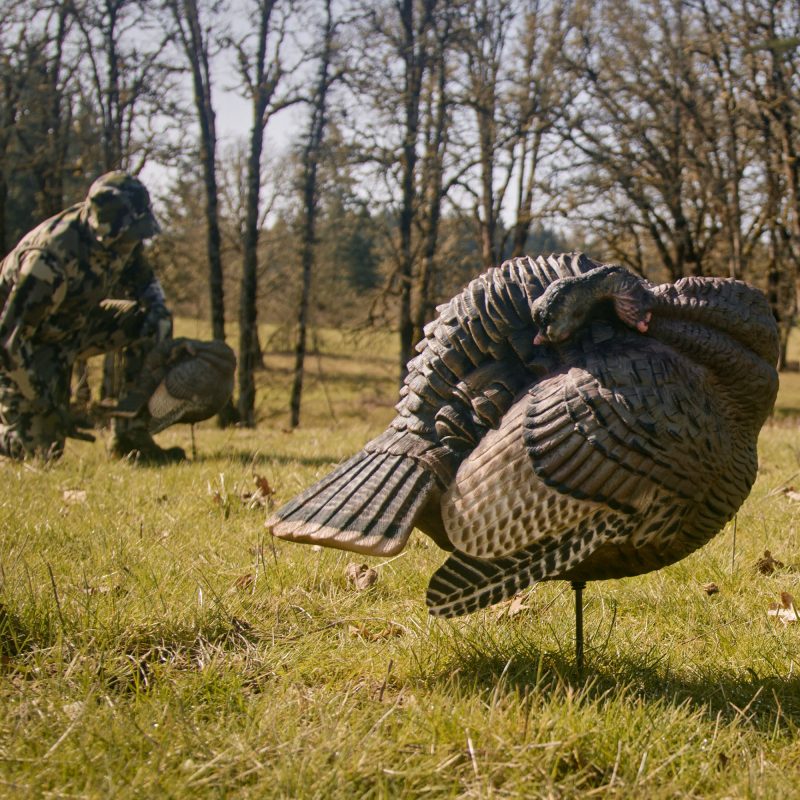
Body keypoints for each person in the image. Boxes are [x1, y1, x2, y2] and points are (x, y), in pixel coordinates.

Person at [0, 170, 185, 463]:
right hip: (27, 348)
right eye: (128, 237)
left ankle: (130, 435)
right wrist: (47, 404)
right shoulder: (48, 261)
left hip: (74, 325)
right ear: (105, 226)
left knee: (154, 321)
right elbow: (9, 344)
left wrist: (167, 354)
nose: (133, 246)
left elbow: (148, 289)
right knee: (40, 453)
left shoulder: (124, 238)